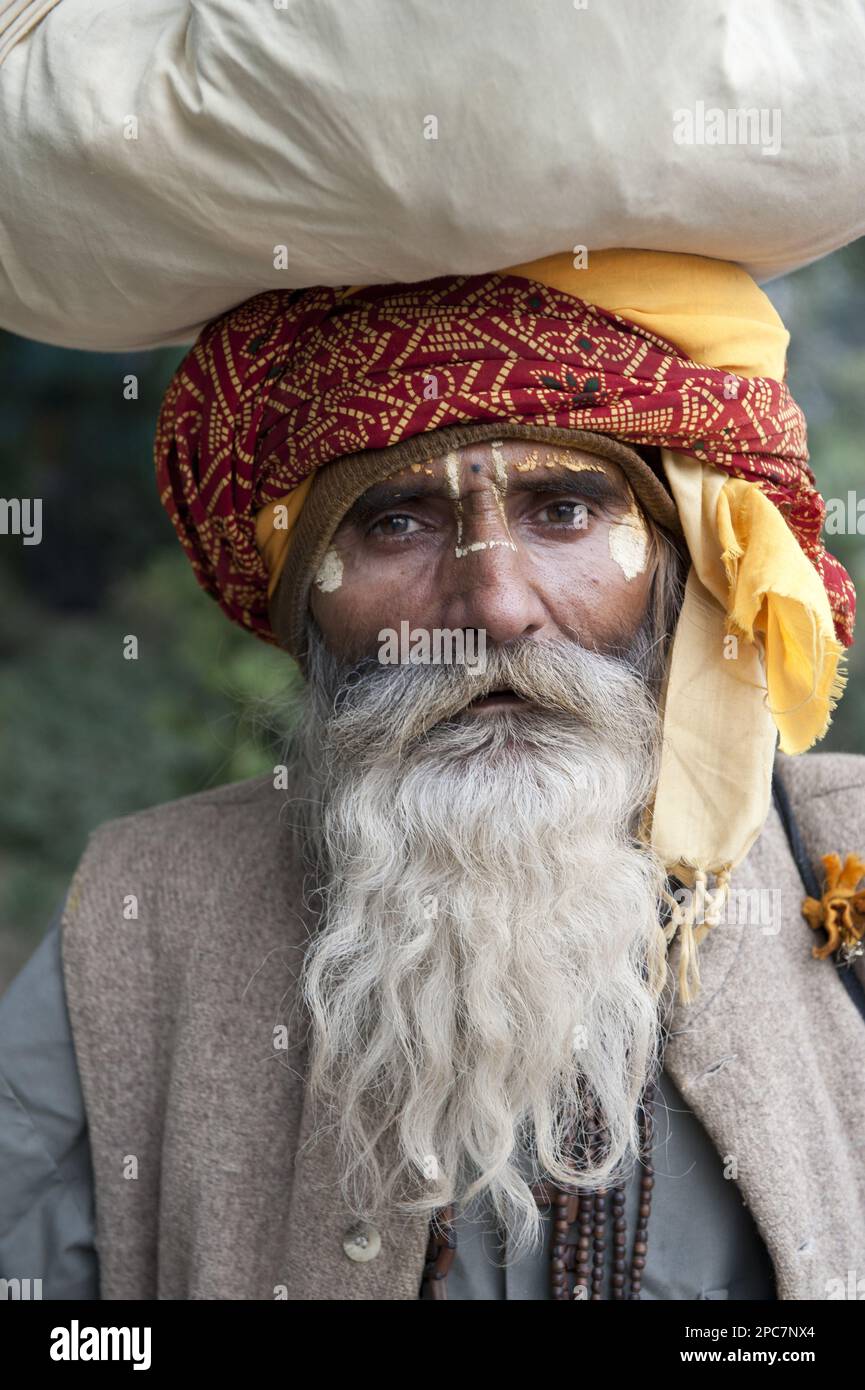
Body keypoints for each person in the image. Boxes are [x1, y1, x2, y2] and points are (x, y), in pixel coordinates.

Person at [2, 250, 864, 1301]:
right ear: (299, 602)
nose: (496, 606)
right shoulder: (141, 913)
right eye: (394, 521)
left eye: (563, 510)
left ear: (677, 563)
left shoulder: (842, 850)